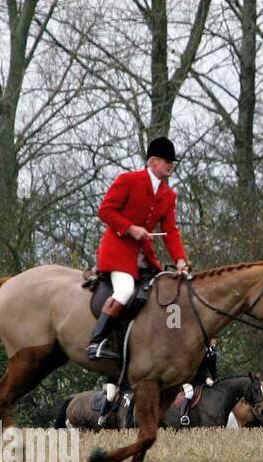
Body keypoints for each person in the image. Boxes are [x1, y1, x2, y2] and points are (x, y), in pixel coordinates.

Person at [88, 136, 191, 422]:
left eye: (173, 163)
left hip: (144, 257)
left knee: (164, 294)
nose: (171, 166)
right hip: (118, 251)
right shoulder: (128, 180)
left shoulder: (169, 195)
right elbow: (105, 210)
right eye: (167, 161)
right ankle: (98, 340)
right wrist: (130, 228)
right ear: (152, 162)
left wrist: (180, 260)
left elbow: (170, 231)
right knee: (124, 290)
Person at [179, 338, 218, 426]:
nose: (214, 341)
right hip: (187, 378)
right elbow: (195, 369)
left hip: (199, 379)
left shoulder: (212, 353)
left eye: (214, 339)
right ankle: (183, 415)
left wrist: (216, 380)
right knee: (190, 393)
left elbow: (213, 368)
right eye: (212, 339)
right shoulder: (198, 351)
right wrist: (206, 378)